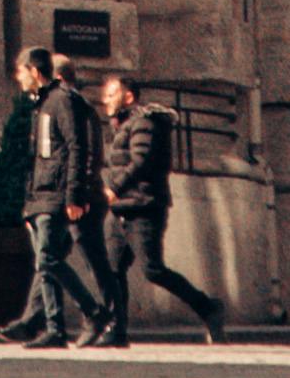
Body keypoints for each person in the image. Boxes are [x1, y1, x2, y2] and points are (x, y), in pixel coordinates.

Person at [94, 68, 225, 349]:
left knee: (152, 269)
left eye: (111, 94)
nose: (105, 100)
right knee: (112, 269)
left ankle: (208, 307)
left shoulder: (144, 123)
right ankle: (117, 330)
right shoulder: (122, 125)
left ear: (128, 96)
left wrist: (112, 188)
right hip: (121, 209)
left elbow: (140, 161)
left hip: (144, 206)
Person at [0, 47, 110, 350]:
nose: (18, 78)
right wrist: (29, 202)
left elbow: (77, 147)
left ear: (35, 72)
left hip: (56, 195)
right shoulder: (42, 104)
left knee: (48, 259)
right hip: (41, 196)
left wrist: (74, 195)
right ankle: (55, 329)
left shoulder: (61, 101)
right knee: (45, 262)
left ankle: (93, 312)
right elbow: (40, 157)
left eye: (21, 71)